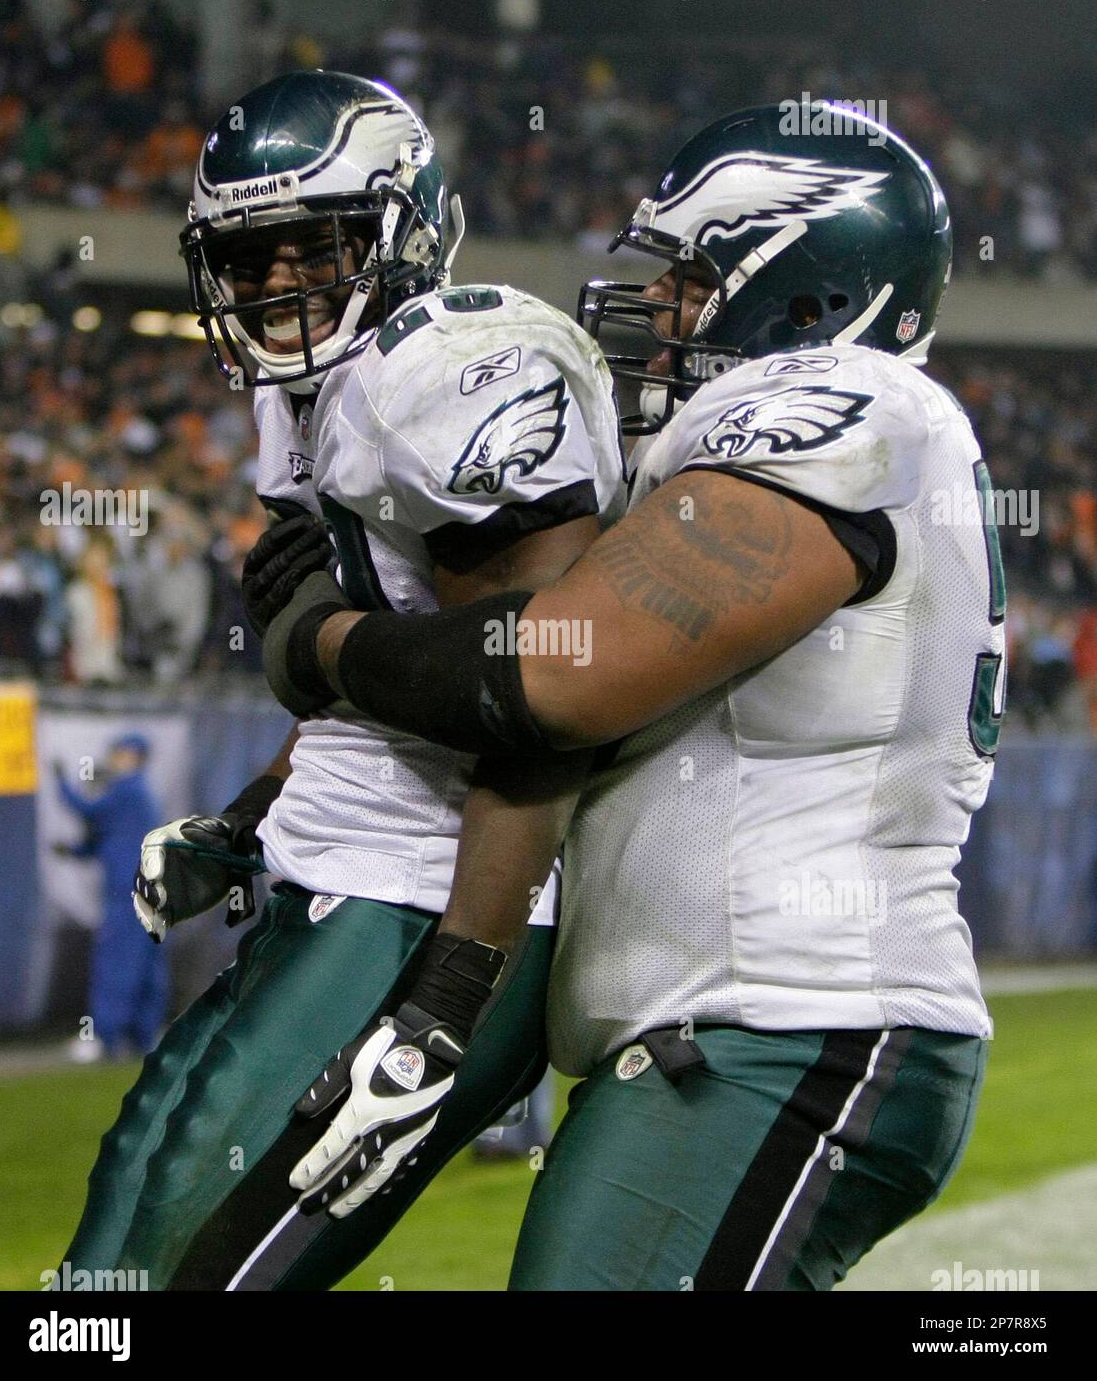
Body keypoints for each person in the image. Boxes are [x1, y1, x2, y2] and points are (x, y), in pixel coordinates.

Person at [252, 104, 1005, 1290]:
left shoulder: (845, 396)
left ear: (807, 290)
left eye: (692, 280)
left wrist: (328, 642)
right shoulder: (800, 436)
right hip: (731, 1029)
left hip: (789, 1020)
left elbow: (556, 675)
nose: (654, 313)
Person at [62, 71, 623, 1291]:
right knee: (113, 1241)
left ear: (403, 224)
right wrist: (252, 814)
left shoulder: (458, 375)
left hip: (433, 894)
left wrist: (449, 996)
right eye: (250, 256)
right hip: (333, 870)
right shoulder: (302, 393)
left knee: (181, 1275)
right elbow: (371, 662)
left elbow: (536, 699)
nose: (276, 284)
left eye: (306, 246)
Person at [54, 735, 167, 1060]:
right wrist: (74, 850)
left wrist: (61, 782)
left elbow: (88, 811)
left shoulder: (128, 790)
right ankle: (142, 1039)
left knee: (117, 964)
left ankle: (104, 1039)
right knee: (145, 966)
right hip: (148, 892)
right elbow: (108, 838)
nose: (115, 759)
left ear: (135, 756)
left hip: (126, 893)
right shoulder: (138, 794)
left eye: (121, 753)